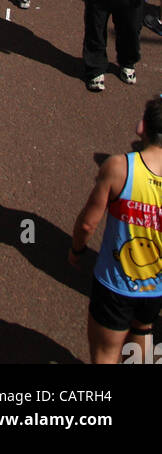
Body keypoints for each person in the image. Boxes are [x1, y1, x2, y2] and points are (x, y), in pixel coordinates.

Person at [68, 97, 162, 364]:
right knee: (142, 331)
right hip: (155, 286)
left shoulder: (120, 167)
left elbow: (88, 223)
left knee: (105, 353)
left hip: (115, 283)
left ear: (142, 127)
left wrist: (77, 250)